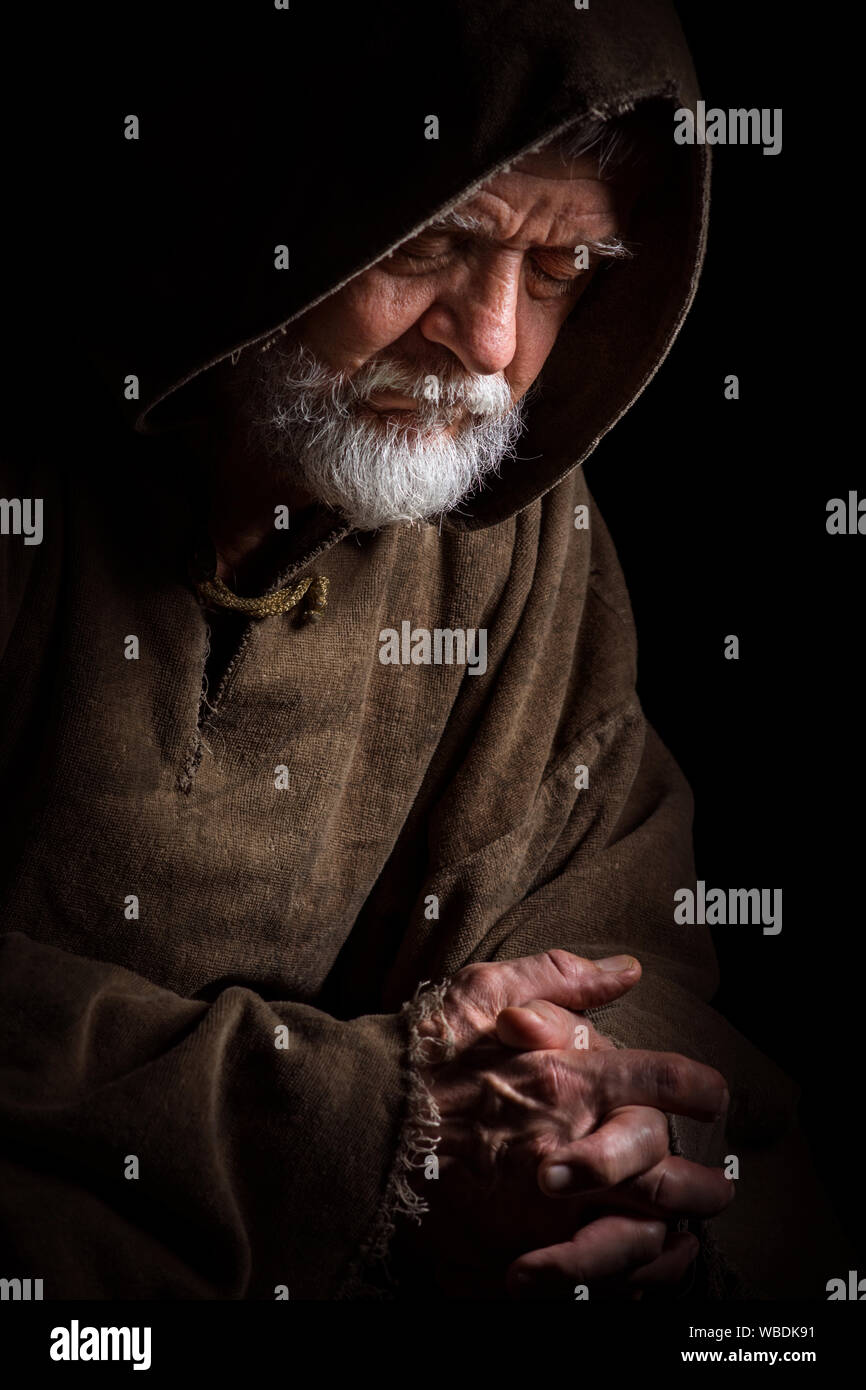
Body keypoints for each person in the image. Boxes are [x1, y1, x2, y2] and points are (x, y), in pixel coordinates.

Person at [0, 0, 847, 1300]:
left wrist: (592, 1121)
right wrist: (362, 1124)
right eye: (438, 241)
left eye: (559, 271)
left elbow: (624, 930)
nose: (492, 346)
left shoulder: (517, 535)